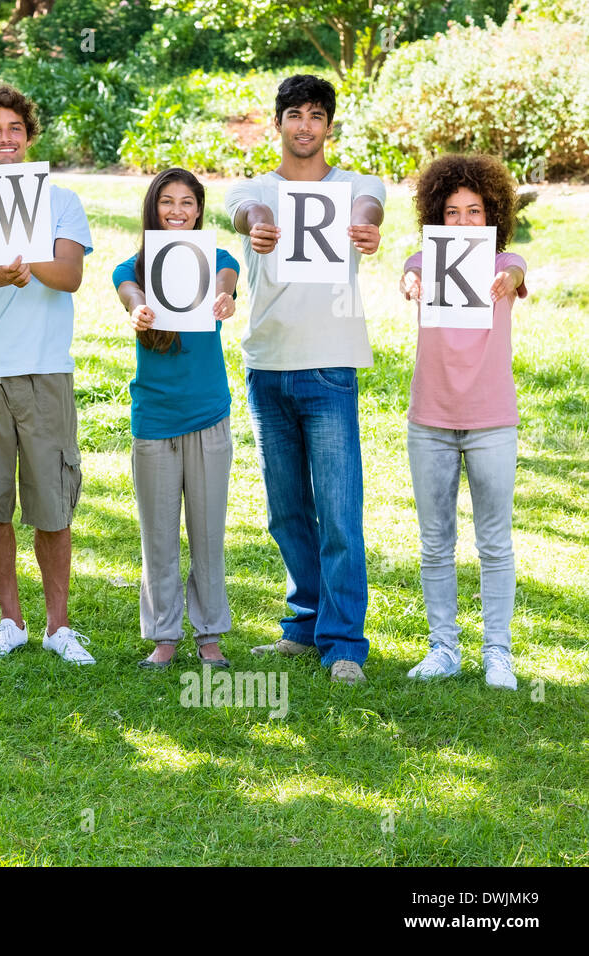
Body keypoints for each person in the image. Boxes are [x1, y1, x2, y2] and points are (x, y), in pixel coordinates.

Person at [226, 74, 385, 684]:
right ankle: (302, 627)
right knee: (287, 510)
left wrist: (365, 228)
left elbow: (370, 208)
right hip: (267, 365)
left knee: (340, 512)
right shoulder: (254, 188)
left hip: (328, 365)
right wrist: (257, 218)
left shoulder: (356, 188)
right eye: (295, 114)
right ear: (279, 124)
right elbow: (243, 209)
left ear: (329, 126)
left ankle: (344, 643)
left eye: (317, 115)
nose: (305, 125)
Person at [0, 84, 95, 664]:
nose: (4, 139)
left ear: (29, 137)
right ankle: (11, 620)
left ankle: (59, 626)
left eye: (14, 130)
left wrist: (29, 266)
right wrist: (2, 270)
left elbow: (72, 273)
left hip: (44, 369)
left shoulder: (62, 201)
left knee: (51, 503)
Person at [399, 154, 527, 690]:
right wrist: (410, 283)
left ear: (492, 213)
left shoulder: (504, 265)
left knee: (494, 541)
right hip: (430, 419)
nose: (463, 222)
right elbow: (408, 274)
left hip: (492, 421)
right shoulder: (422, 264)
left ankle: (497, 652)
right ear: (436, 215)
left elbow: (517, 273)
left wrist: (509, 280)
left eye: (474, 211)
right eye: (451, 212)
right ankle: (442, 648)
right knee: (435, 542)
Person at [112, 168, 239, 671]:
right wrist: (139, 309)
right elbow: (130, 294)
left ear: (199, 209)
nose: (178, 211)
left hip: (208, 414)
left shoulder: (219, 260)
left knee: (207, 533)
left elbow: (228, 279)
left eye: (188, 202)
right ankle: (164, 635)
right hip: (154, 417)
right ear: (154, 207)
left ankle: (209, 635)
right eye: (168, 201)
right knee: (158, 535)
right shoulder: (132, 267)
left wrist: (225, 298)